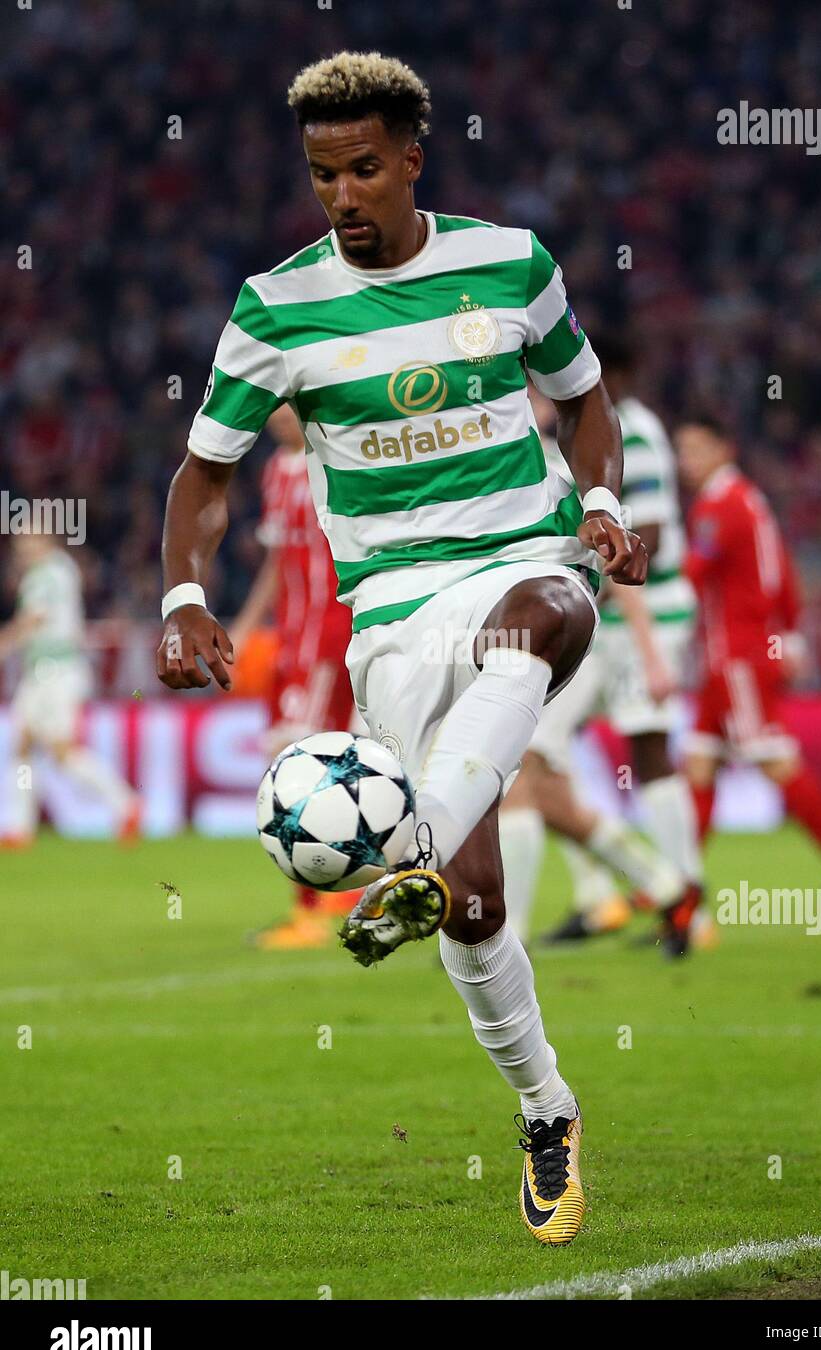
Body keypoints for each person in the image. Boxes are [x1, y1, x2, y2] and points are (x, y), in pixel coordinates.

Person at [155, 50, 649, 1246]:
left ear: (413, 158)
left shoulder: (511, 263)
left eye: (364, 168)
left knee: (545, 617)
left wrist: (601, 503)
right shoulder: (275, 308)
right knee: (475, 906)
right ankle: (546, 1107)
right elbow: (204, 476)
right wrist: (181, 592)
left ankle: (408, 842)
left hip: (525, 555)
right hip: (393, 615)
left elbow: (583, 400)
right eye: (323, 174)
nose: (342, 195)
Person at [500, 377, 704, 957]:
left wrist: (647, 650)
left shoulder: (560, 471)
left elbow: (613, 562)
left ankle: (508, 939)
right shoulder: (518, 465)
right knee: (541, 785)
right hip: (534, 644)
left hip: (567, 643)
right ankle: (663, 889)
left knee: (518, 773)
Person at [676, 413, 821, 906]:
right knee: (700, 763)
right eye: (682, 451)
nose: (687, 462)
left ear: (726, 449)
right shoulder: (750, 499)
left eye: (697, 449)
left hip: (736, 655)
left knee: (773, 759)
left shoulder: (719, 506)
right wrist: (788, 635)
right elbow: (782, 571)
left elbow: (692, 575)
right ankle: (682, 891)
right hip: (739, 651)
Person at [230, 404, 359, 949]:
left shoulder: (335, 458)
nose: (278, 414)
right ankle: (345, 886)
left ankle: (311, 907)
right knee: (317, 764)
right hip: (291, 642)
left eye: (286, 401)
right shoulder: (275, 471)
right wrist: (244, 625)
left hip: (329, 639)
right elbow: (278, 563)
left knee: (302, 768)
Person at [0, 534, 141, 846]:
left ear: (44, 540)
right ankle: (18, 828)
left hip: (55, 671)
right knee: (21, 746)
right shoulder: (64, 569)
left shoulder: (43, 574)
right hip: (44, 670)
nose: (22, 551)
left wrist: (4, 644)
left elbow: (32, 620)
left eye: (27, 543)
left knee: (63, 752)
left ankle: (126, 803)